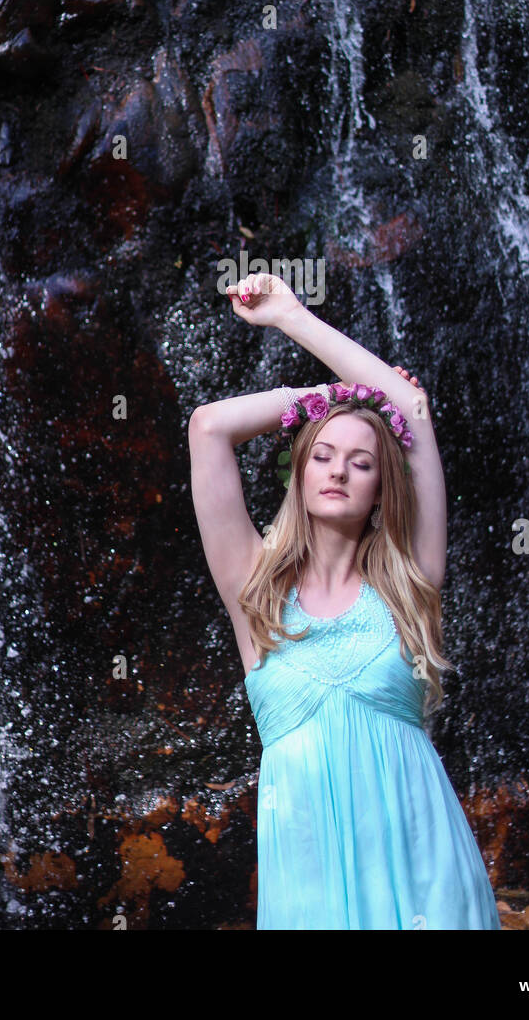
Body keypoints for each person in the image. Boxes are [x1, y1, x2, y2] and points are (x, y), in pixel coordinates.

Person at [188, 271, 501, 930]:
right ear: (299, 474)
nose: (337, 470)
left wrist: (294, 317)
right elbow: (209, 427)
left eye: (361, 463)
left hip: (426, 880)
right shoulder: (255, 595)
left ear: (382, 488)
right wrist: (339, 397)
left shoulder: (410, 582)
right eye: (322, 455)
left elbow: (410, 412)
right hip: (309, 889)